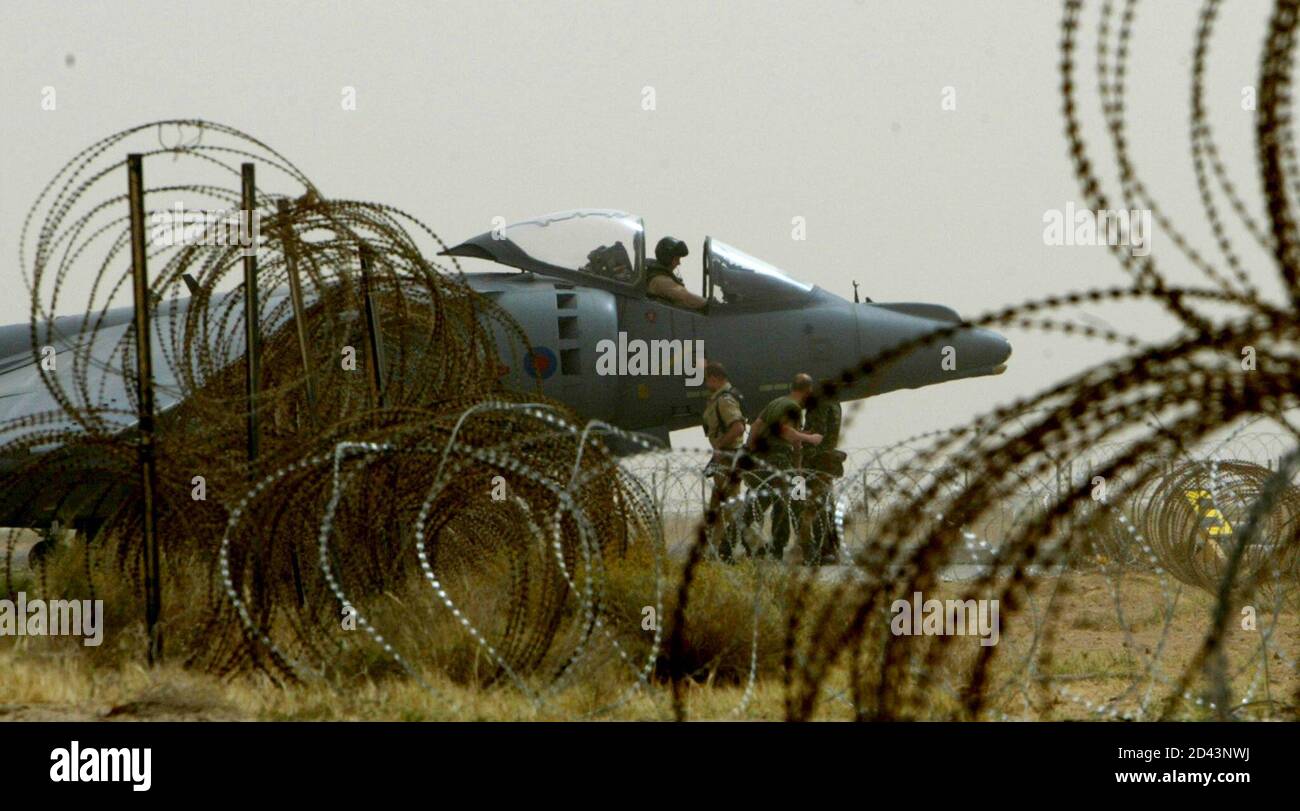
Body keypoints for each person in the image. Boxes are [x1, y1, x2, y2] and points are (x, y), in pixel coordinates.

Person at [745, 373, 823, 559]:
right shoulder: (793, 408)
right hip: (780, 463)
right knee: (799, 506)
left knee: (768, 505)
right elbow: (786, 432)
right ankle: (809, 552)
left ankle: (774, 547)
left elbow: (756, 426)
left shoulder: (777, 403)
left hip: (766, 463)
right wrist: (810, 438)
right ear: (808, 391)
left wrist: (750, 451)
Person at [701, 360, 748, 561]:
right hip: (724, 460)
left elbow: (738, 427)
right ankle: (711, 548)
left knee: (728, 509)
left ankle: (749, 545)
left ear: (714, 379)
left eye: (707, 379)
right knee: (716, 507)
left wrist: (719, 445)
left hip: (728, 458)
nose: (705, 383)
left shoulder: (724, 399)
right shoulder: (718, 398)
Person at [797, 387, 844, 565]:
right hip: (825, 461)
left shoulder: (820, 405)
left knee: (816, 506)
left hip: (814, 462)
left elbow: (817, 434)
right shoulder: (835, 404)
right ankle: (830, 548)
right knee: (825, 504)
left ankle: (822, 550)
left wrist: (800, 438)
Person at [645, 236, 707, 310]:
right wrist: (708, 303)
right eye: (676, 259)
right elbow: (685, 297)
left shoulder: (657, 274)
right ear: (667, 258)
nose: (679, 263)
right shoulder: (660, 280)